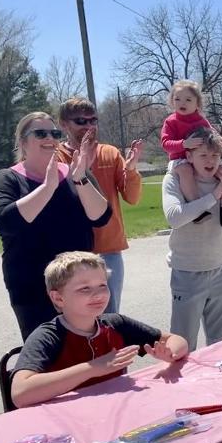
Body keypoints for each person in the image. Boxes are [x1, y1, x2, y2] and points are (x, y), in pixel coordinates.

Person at [0, 112, 111, 341]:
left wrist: (80, 179)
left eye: (54, 133)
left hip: (82, 283)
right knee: (48, 352)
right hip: (33, 285)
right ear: (23, 142)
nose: (50, 138)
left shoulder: (76, 171)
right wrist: (47, 187)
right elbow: (5, 221)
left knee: (88, 346)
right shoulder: (8, 178)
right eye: (40, 133)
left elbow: (101, 217)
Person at [10, 251, 189, 408]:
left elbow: (177, 340)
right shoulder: (48, 336)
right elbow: (20, 393)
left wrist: (170, 353)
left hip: (117, 411)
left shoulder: (116, 324)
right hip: (68, 423)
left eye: (102, 285)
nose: (98, 294)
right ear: (58, 298)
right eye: (84, 288)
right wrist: (93, 368)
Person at [56, 97, 144, 314]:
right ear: (64, 124)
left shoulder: (110, 153)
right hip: (70, 251)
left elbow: (132, 198)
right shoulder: (56, 156)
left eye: (92, 121)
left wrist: (131, 171)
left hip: (108, 250)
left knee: (108, 315)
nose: (88, 126)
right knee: (73, 316)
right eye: (80, 121)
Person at [162, 128, 222, 351]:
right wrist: (213, 197)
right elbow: (175, 218)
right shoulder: (175, 179)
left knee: (220, 342)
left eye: (215, 155)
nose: (210, 161)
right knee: (183, 344)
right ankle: (184, 386)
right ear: (189, 156)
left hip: (219, 270)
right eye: (203, 155)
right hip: (187, 273)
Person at [160, 79, 219, 222]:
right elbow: (165, 144)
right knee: (186, 170)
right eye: (177, 99)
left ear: (197, 103)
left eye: (188, 99)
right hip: (179, 160)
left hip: (199, 158)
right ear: (172, 102)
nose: (182, 103)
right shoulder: (171, 121)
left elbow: (212, 134)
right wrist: (184, 144)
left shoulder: (201, 120)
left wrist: (220, 139)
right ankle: (198, 212)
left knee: (221, 166)